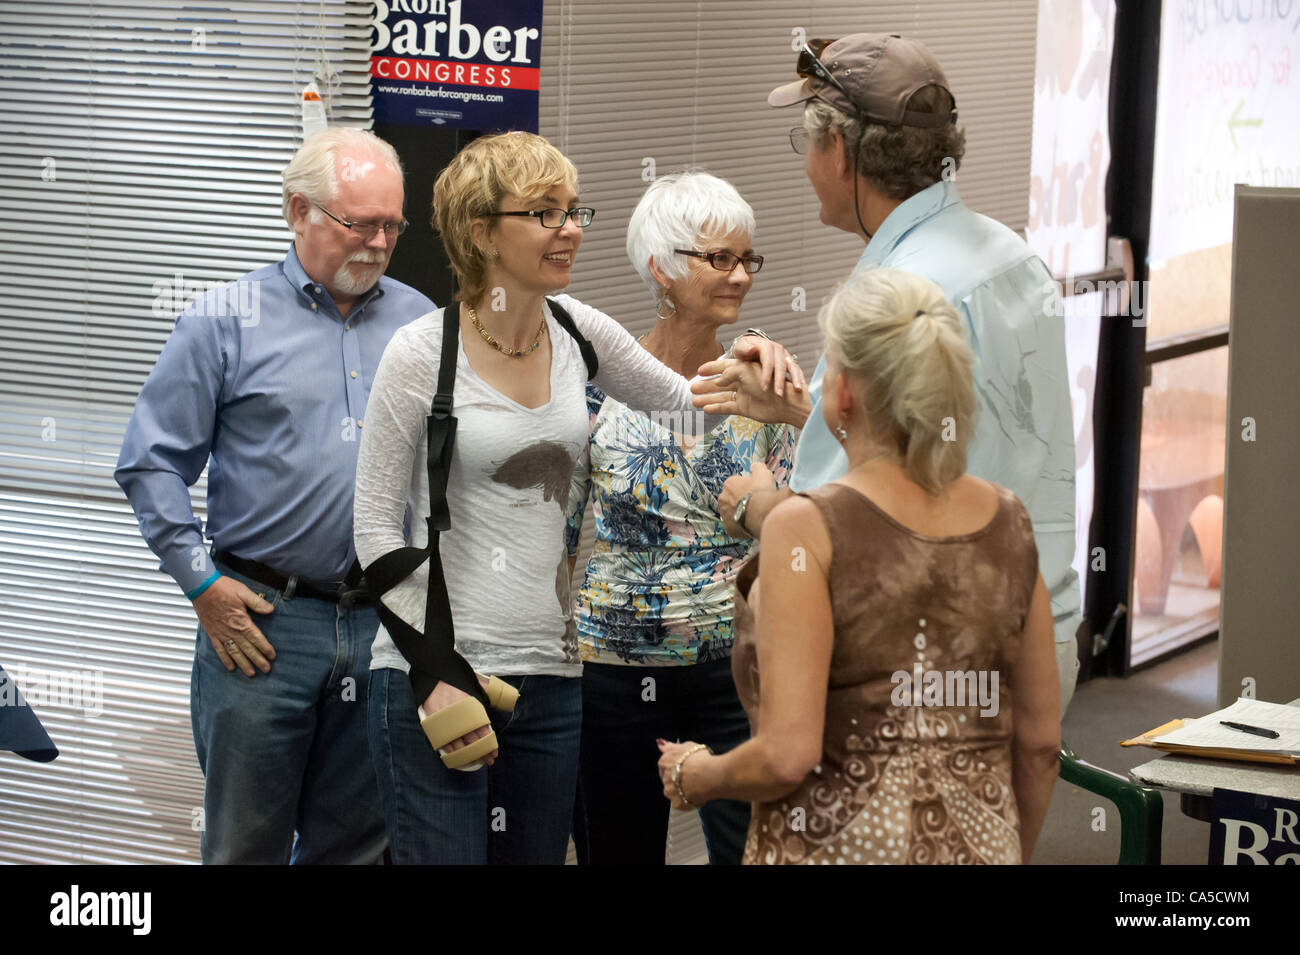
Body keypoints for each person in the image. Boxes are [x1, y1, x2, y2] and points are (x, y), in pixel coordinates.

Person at [352, 132, 792, 865]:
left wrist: (761, 364)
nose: (571, 229)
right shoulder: (420, 352)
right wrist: (432, 674)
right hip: (438, 671)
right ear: (481, 230)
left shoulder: (578, 331)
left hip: (553, 682)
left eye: (573, 209)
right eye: (545, 212)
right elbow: (373, 526)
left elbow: (693, 403)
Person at [693, 33, 1082, 716]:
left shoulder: (891, 292)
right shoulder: (1009, 256)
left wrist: (753, 503)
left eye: (806, 142)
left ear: (839, 151)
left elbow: (834, 535)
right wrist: (800, 407)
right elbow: (958, 430)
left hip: (927, 666)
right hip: (1037, 641)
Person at [659, 268, 1062, 864]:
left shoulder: (808, 527)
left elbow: (786, 755)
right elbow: (1040, 744)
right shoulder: (1009, 520)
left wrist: (697, 775)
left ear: (843, 392)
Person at [115, 128, 434, 863]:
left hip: (384, 621)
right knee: (244, 845)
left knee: (354, 847)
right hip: (261, 625)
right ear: (299, 211)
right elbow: (151, 463)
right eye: (361, 224)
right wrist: (202, 584)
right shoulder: (223, 320)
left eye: (393, 225)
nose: (380, 243)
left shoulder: (421, 322)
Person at [565, 172, 796, 865]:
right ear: (661, 269)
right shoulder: (595, 385)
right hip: (613, 665)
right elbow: (557, 528)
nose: (739, 276)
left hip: (738, 665)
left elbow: (806, 521)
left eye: (746, 258)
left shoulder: (766, 380)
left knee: (752, 851)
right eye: (718, 259)